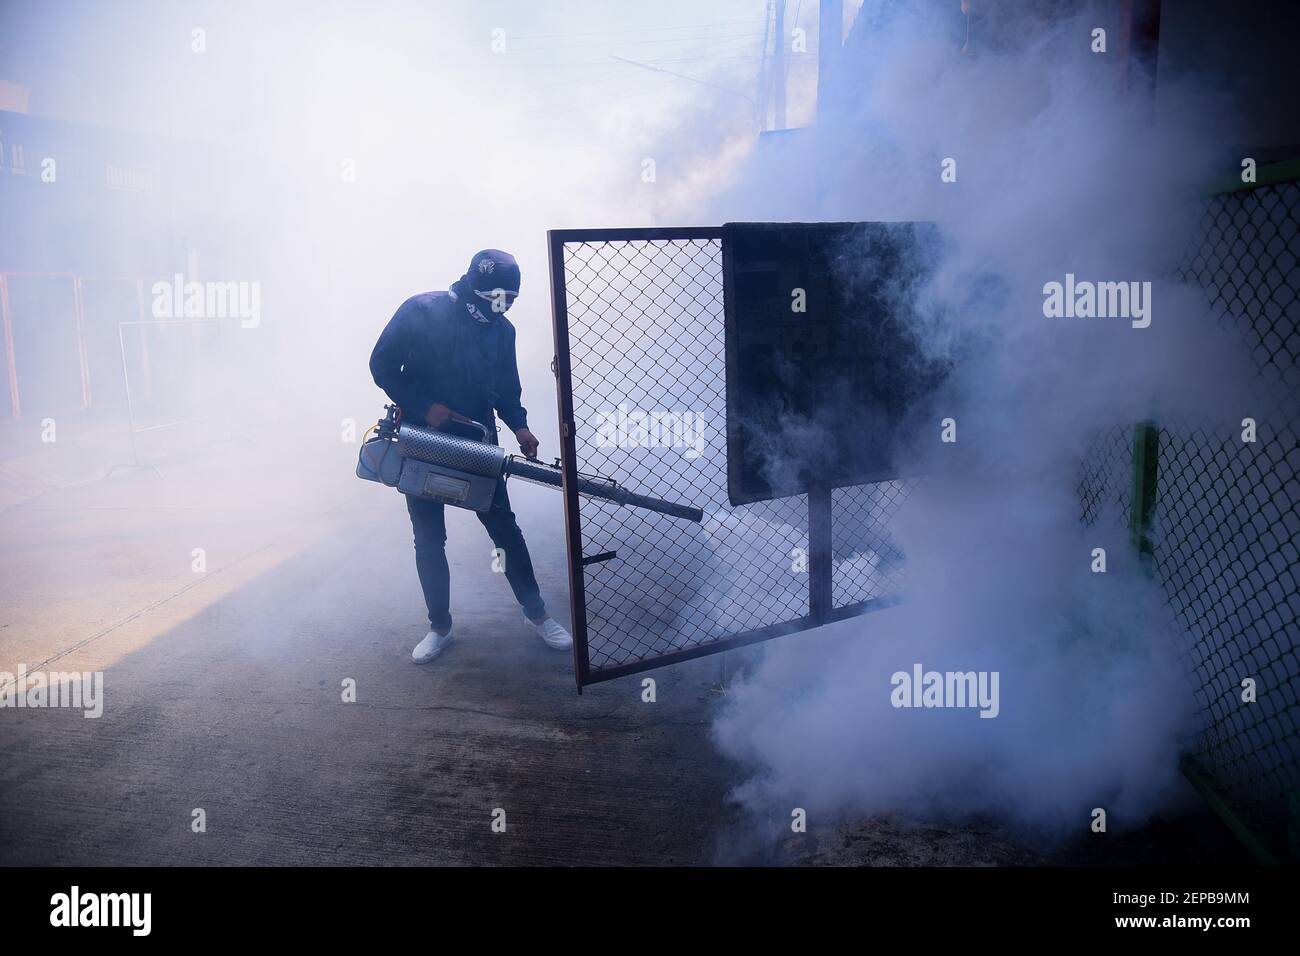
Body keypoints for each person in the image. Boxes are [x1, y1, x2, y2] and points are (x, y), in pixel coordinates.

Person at [369, 249, 573, 663]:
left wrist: (520, 426)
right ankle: (439, 627)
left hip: (477, 437)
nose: (504, 308)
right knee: (428, 536)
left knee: (503, 528)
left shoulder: (503, 332)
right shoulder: (421, 311)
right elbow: (381, 365)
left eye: (511, 301)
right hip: (423, 437)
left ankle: (538, 615)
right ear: (476, 291)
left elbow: (507, 389)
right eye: (498, 299)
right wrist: (422, 404)